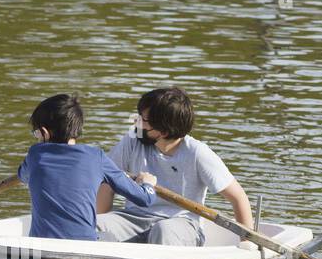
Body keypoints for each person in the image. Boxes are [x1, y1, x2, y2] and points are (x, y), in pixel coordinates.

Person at [96, 87, 253, 245]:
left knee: (163, 231)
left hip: (181, 224)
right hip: (133, 219)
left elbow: (238, 197)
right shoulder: (131, 140)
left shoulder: (197, 153)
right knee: (95, 224)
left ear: (163, 132)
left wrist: (248, 244)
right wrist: (101, 220)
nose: (136, 123)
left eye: (142, 120)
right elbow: (107, 183)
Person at [18, 93, 157, 241]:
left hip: (41, 244)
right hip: (85, 244)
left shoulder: (35, 155)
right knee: (109, 237)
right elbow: (145, 199)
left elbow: (23, 176)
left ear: (44, 132)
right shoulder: (96, 157)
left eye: (36, 133)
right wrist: (148, 184)